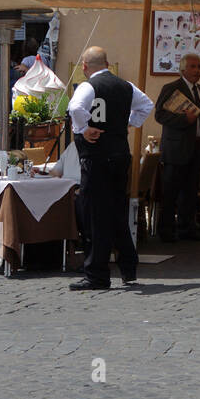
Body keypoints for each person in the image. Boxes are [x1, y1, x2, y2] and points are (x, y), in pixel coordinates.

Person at [67, 46, 154, 291]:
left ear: (85, 66)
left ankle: (96, 275)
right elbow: (147, 105)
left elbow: (75, 108)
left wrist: (84, 128)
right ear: (108, 63)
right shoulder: (126, 85)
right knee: (117, 212)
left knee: (94, 215)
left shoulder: (88, 86)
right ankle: (128, 269)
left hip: (97, 156)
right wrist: (127, 123)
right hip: (120, 154)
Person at [153, 52, 200, 242]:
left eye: (199, 67)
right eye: (193, 67)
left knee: (190, 191)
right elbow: (160, 115)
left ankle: (186, 228)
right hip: (176, 148)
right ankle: (165, 231)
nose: (197, 70)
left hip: (197, 147)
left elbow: (198, 117)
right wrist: (183, 119)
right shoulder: (172, 88)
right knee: (171, 191)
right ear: (182, 69)